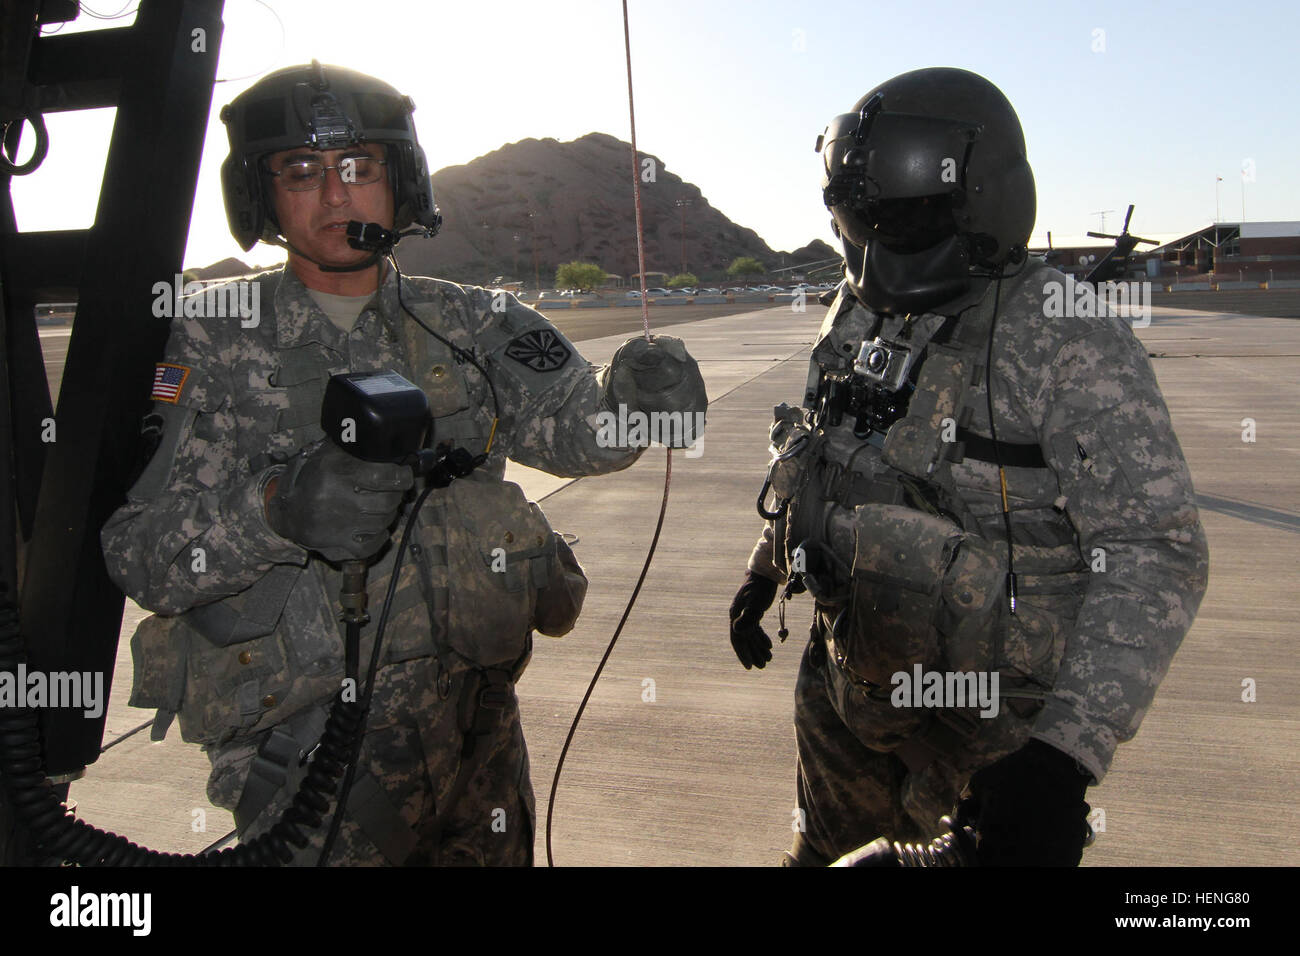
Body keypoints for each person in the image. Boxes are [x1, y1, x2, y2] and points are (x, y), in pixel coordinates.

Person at [101, 61, 707, 866]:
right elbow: (142, 555)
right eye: (301, 172)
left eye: (359, 168)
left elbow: (577, 433)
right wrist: (278, 509)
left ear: (401, 181)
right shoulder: (211, 336)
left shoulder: (474, 319)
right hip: (311, 751)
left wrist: (639, 399)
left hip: (477, 733)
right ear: (260, 195)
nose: (335, 195)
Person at [728, 67, 1208, 866]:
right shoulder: (859, 311)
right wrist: (765, 570)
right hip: (850, 701)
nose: (877, 243)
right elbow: (822, 450)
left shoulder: (1065, 335)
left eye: (906, 217)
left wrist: (1064, 755)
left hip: (989, 744)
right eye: (862, 216)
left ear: (978, 201)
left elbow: (1153, 552)